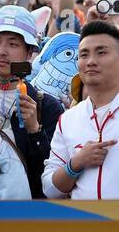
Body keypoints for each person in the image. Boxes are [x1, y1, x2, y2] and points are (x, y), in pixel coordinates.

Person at [0, 2, 62, 200]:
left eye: (13, 44)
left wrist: (35, 131)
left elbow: (52, 177)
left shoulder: (47, 107)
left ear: (30, 53)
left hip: (30, 218)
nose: (1, 51)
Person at [44, 20, 119, 199]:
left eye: (101, 53)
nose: (91, 61)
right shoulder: (68, 120)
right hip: (85, 225)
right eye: (84, 54)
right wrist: (76, 163)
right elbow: (50, 189)